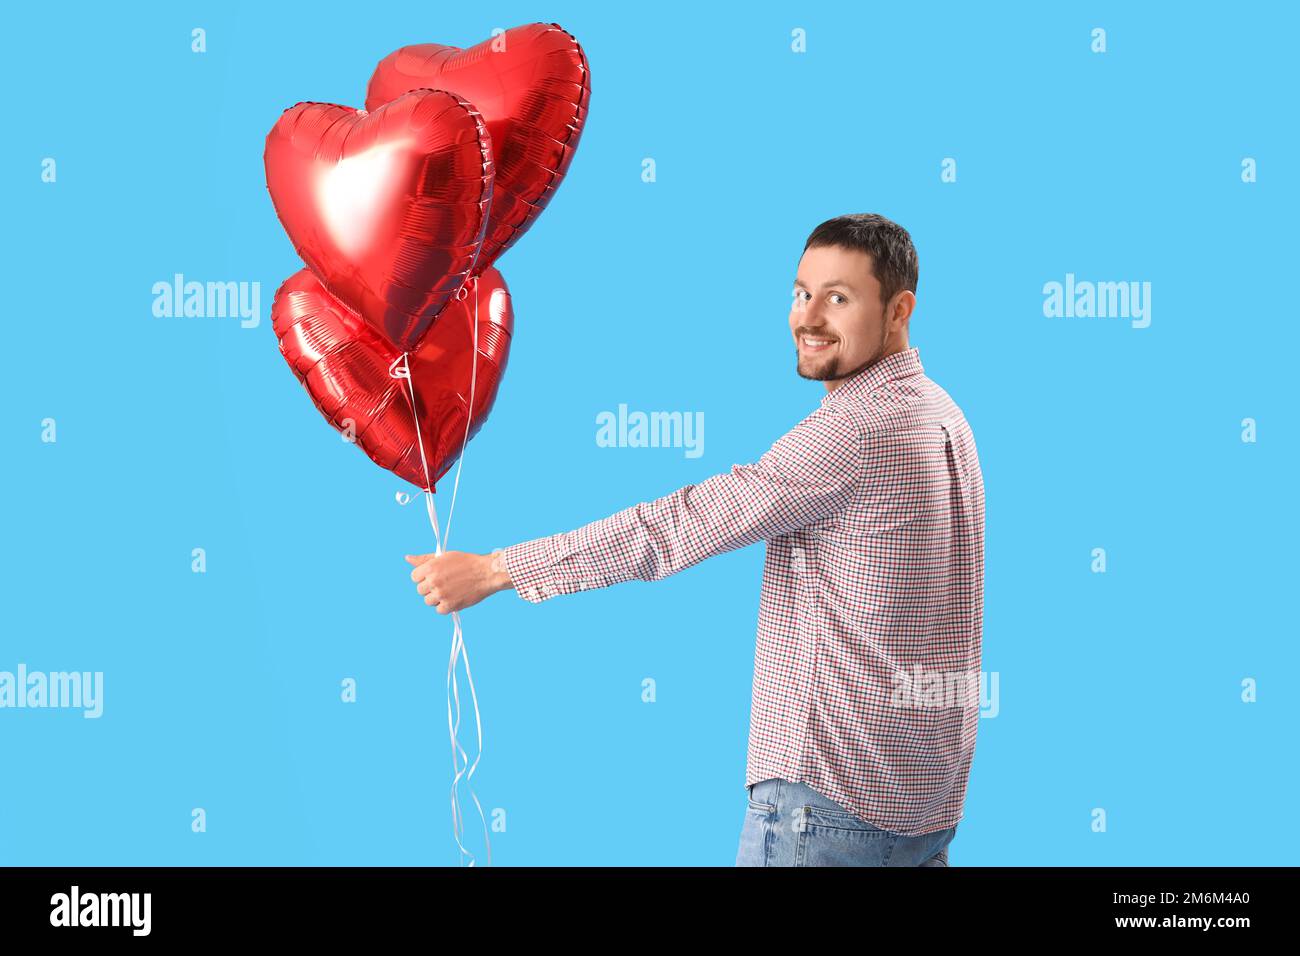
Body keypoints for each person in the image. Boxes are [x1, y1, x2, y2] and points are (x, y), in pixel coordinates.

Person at [405, 213, 985, 867]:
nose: (809, 317)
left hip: (826, 809)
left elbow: (678, 526)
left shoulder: (851, 433)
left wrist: (495, 570)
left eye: (839, 298)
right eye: (802, 292)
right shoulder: (943, 415)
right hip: (920, 812)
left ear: (900, 310)